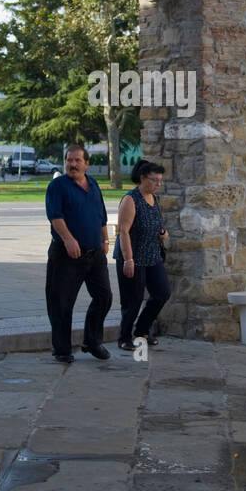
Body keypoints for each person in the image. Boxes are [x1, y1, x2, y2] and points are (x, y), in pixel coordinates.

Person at [44, 146, 113, 363]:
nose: (72, 164)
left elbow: (101, 215)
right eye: (69, 160)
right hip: (66, 254)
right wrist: (68, 239)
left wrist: (105, 239)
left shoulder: (93, 184)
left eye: (77, 160)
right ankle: (62, 350)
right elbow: (55, 216)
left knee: (104, 297)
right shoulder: (58, 186)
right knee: (61, 303)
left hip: (95, 254)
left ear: (87, 163)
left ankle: (92, 341)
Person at [113, 160, 171, 350]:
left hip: (152, 256)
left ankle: (142, 330)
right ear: (142, 178)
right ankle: (124, 337)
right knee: (133, 299)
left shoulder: (155, 199)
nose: (158, 184)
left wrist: (163, 234)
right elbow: (123, 231)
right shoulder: (131, 199)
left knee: (162, 293)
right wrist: (128, 259)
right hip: (132, 257)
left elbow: (155, 225)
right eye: (154, 180)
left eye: (160, 181)